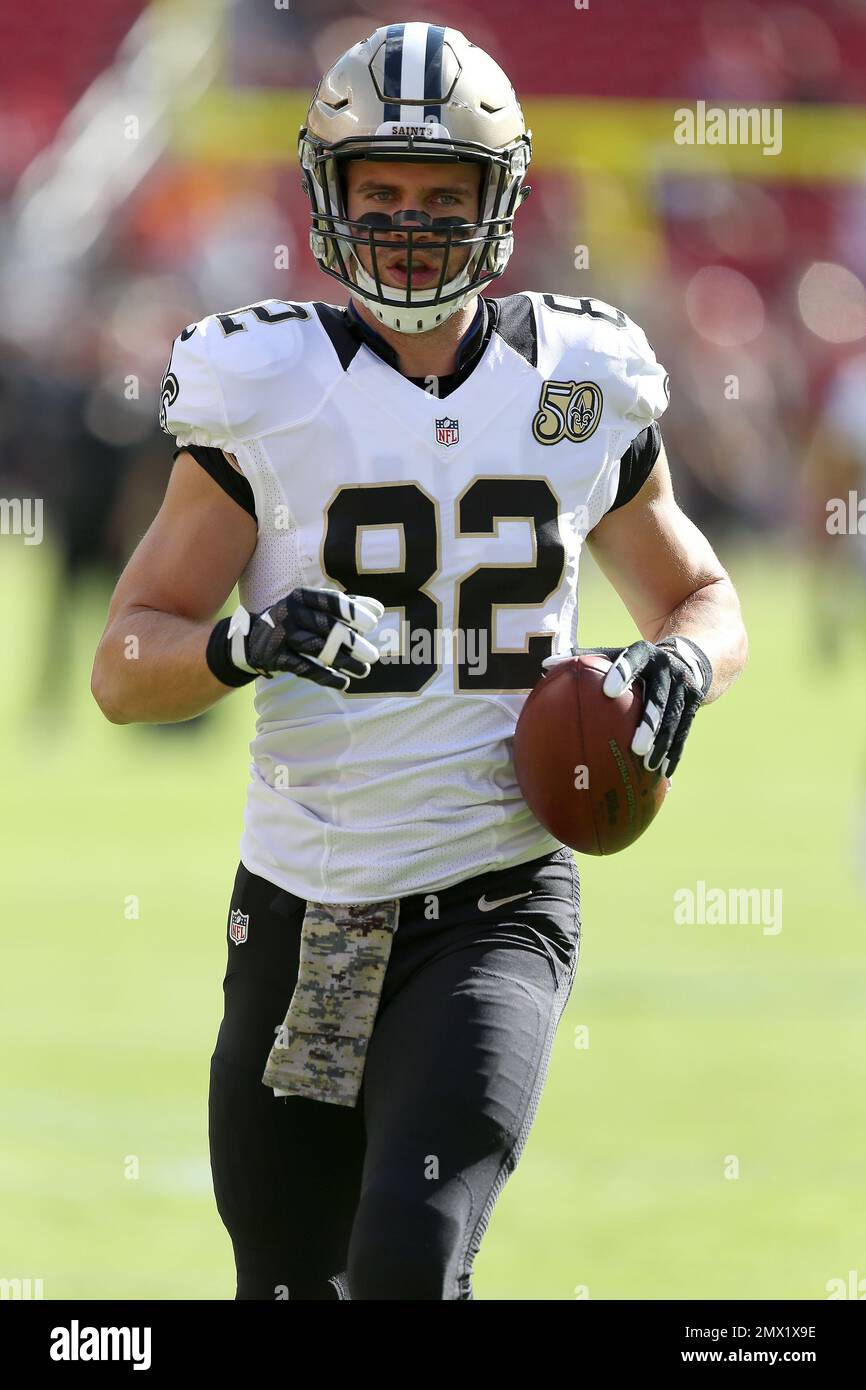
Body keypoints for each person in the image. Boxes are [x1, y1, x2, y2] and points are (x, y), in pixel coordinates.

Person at [91, 21, 748, 1300]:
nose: (405, 223)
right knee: (288, 1279)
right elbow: (126, 662)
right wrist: (248, 642)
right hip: (307, 918)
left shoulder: (576, 378)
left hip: (491, 906)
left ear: (495, 203)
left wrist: (680, 667)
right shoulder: (264, 382)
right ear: (326, 200)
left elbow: (700, 596)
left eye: (438, 194)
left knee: (407, 1259)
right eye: (378, 192)